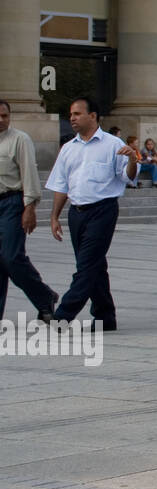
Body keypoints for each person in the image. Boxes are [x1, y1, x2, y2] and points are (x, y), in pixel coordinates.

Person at [46, 97, 139, 330]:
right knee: (94, 265)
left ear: (93, 116)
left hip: (103, 211)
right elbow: (61, 185)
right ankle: (105, 316)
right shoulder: (68, 149)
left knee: (86, 266)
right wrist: (54, 216)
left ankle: (63, 315)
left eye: (77, 114)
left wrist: (132, 159)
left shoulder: (112, 144)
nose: (72, 119)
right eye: (71, 114)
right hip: (77, 213)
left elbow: (128, 177)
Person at [0, 99, 57, 322]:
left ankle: (44, 297)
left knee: (12, 258)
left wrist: (29, 207)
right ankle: (45, 299)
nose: (1, 120)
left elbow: (30, 175)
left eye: (5, 115)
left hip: (12, 203)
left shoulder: (19, 139)